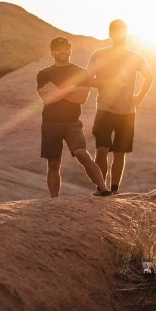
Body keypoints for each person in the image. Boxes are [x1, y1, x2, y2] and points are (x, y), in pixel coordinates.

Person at [37, 37, 111, 198]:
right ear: (52, 52)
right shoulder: (43, 74)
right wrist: (71, 88)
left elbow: (81, 98)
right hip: (50, 123)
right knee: (53, 162)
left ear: (70, 50)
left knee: (82, 154)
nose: (63, 51)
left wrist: (58, 91)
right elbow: (47, 98)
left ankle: (103, 189)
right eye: (58, 49)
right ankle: (54, 199)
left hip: (72, 123)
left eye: (66, 48)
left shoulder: (79, 72)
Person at [88, 19, 154, 194]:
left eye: (122, 31)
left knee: (119, 153)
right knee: (102, 150)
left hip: (126, 111)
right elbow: (87, 79)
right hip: (104, 108)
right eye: (116, 31)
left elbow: (149, 76)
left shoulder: (135, 56)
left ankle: (115, 189)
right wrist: (107, 83)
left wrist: (139, 97)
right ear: (110, 34)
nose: (119, 34)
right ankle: (102, 189)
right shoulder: (100, 54)